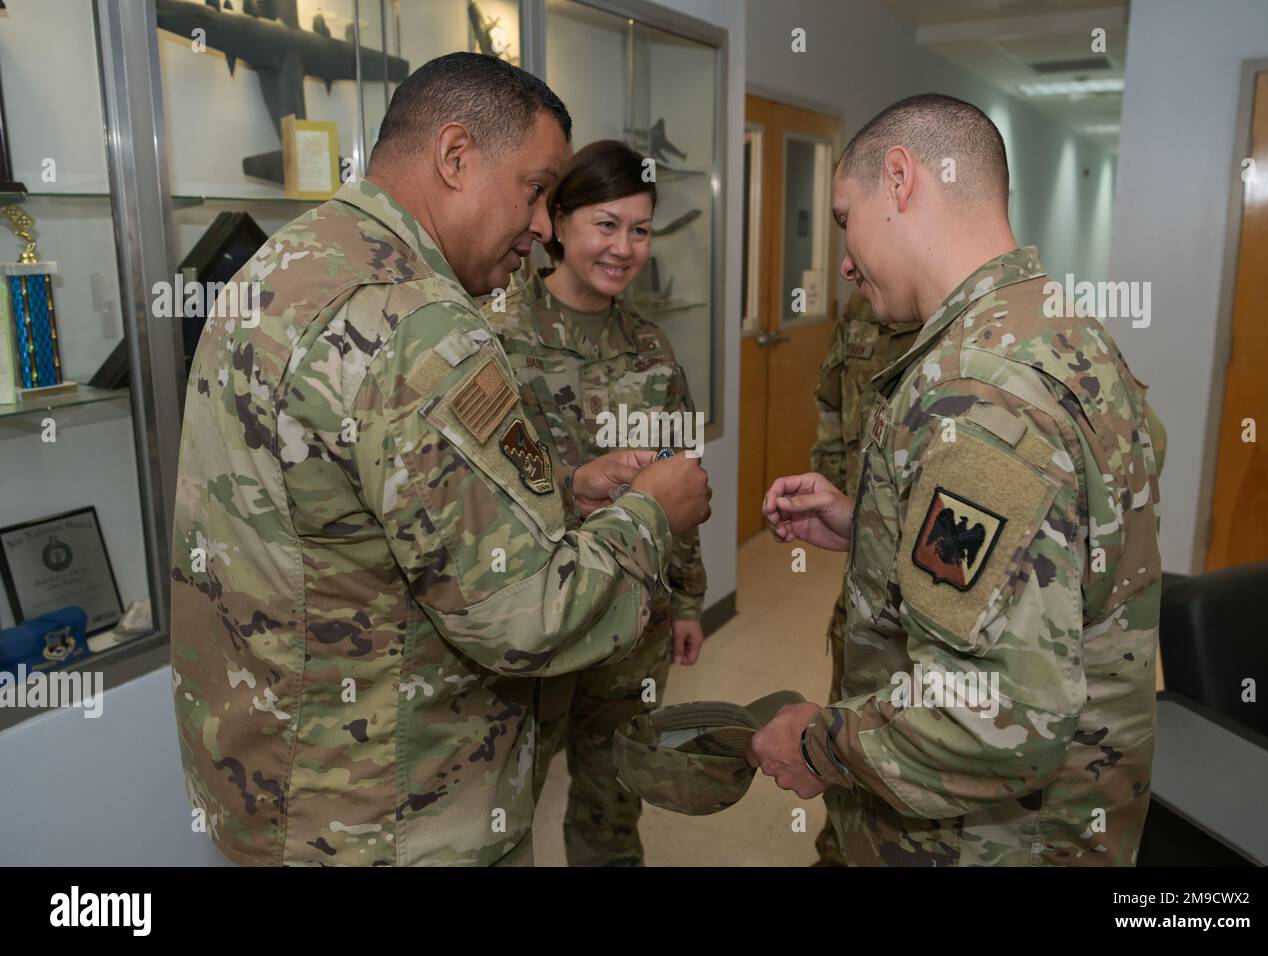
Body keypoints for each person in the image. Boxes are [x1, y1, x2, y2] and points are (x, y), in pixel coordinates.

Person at [169, 52, 711, 868]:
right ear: (456, 157)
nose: (540, 225)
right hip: (391, 813)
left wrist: (563, 487)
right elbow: (523, 617)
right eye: (534, 190)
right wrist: (652, 515)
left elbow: (360, 504)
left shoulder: (284, 265)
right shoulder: (419, 324)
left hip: (273, 784)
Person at [750, 93, 1162, 866]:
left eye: (845, 218)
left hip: (986, 840)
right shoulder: (1059, 327)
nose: (843, 257)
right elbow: (1060, 549)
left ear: (900, 180)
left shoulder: (977, 393)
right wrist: (874, 523)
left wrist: (817, 741)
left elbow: (994, 717)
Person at [486, 140, 707, 866]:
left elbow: (682, 482)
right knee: (499, 806)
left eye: (640, 230)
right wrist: (576, 479)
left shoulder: (652, 349)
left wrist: (687, 599)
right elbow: (472, 495)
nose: (625, 248)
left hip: (630, 622)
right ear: (558, 221)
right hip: (530, 622)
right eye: (605, 225)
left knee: (613, 802)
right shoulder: (495, 339)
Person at [807, 290, 919, 866]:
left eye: (849, 221)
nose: (845, 261)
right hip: (864, 601)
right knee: (845, 750)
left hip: (939, 631)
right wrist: (848, 507)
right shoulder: (861, 309)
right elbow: (832, 397)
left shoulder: (998, 333)